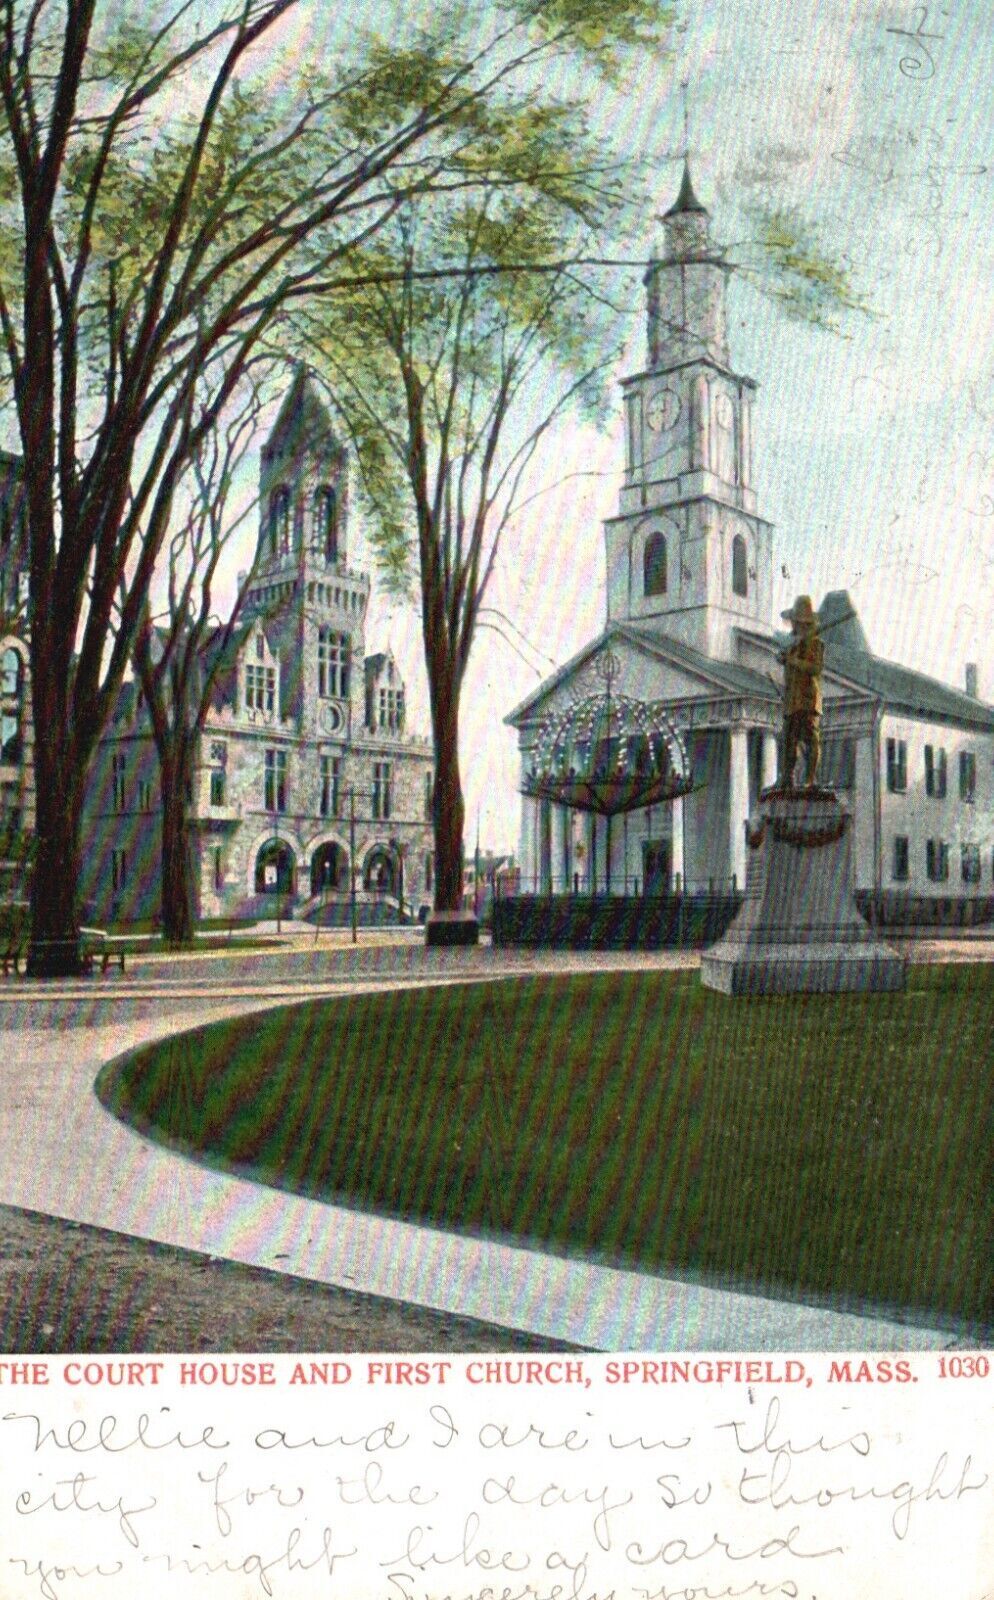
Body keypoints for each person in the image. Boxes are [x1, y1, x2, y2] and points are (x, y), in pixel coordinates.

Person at [780, 595, 824, 788]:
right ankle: (786, 778)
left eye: (800, 623)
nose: (796, 626)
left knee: (811, 740)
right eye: (795, 623)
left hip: (808, 700)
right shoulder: (792, 645)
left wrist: (792, 661)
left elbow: (815, 669)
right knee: (789, 740)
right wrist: (784, 658)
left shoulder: (815, 644)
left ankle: (810, 779)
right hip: (792, 701)